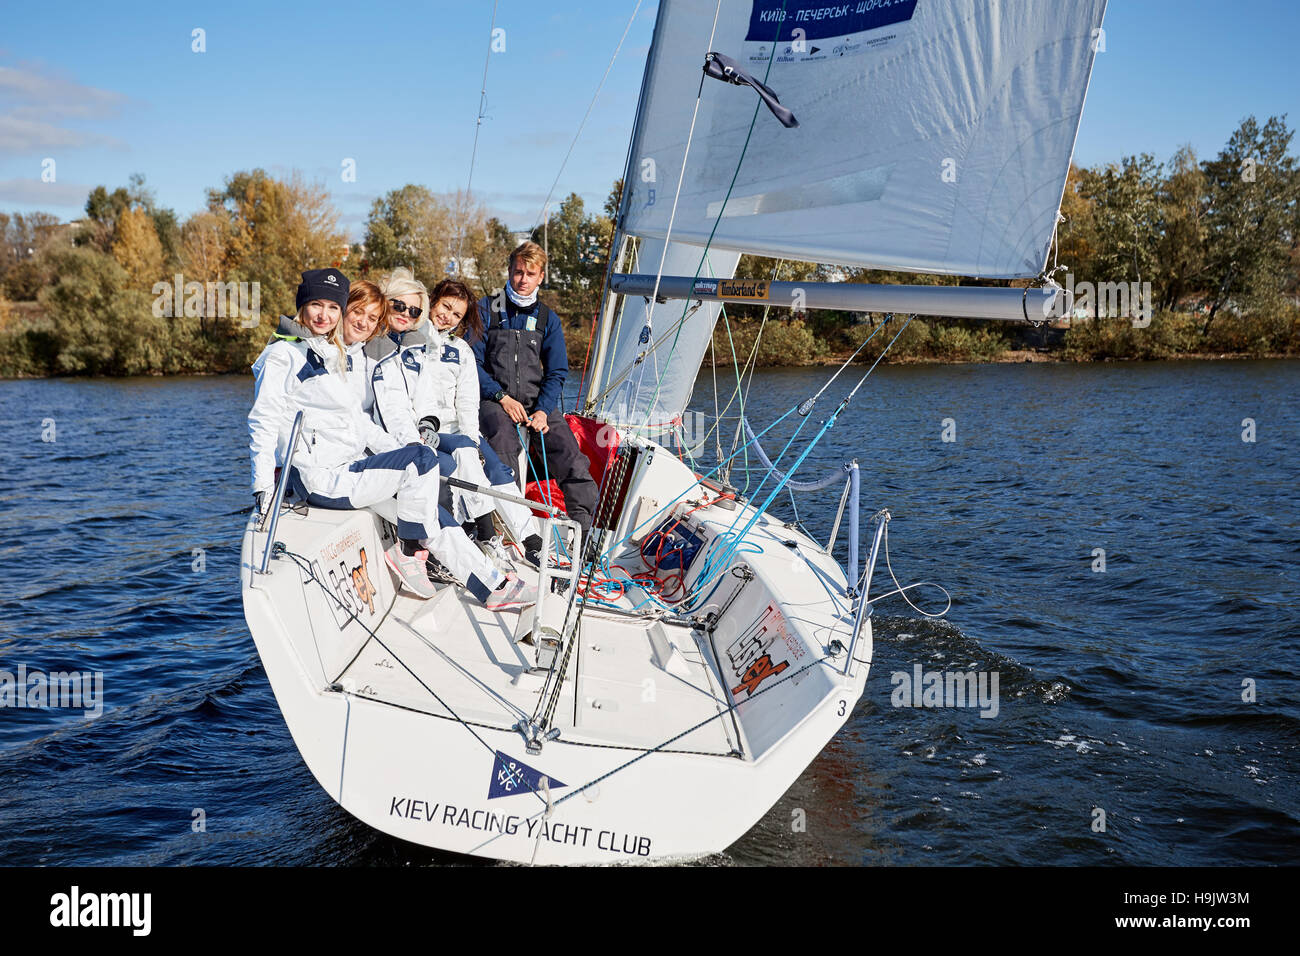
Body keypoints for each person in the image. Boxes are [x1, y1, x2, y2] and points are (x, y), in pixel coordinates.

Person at [247, 268, 535, 610]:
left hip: (349, 467)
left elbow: (358, 422)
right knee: (422, 468)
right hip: (320, 477)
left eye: (333, 308)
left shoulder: (332, 353)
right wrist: (263, 488)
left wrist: (405, 449)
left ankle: (490, 585)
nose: (325, 315)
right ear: (303, 306)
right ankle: (411, 550)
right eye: (316, 305)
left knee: (426, 500)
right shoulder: (283, 354)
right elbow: (263, 421)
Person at [409, 278, 545, 567]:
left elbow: (468, 403)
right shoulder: (412, 339)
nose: (447, 317)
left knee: (496, 468)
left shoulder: (461, 350)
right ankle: (483, 531)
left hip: (458, 428)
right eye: (445, 307)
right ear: (432, 301)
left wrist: (473, 440)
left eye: (456, 314)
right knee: (464, 453)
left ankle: (531, 540)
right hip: (425, 427)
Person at [473, 241, 598, 539]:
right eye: (518, 272)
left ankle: (584, 533)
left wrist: (543, 410)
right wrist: (500, 397)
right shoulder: (486, 309)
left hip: (536, 403)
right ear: (509, 271)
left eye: (530, 273)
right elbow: (472, 364)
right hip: (494, 400)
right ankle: (514, 532)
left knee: (572, 456)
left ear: (541, 276)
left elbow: (556, 372)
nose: (523, 280)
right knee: (503, 446)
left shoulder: (547, 319)